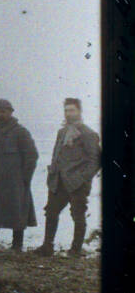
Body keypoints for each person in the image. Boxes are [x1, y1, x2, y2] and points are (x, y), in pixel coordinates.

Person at [34, 98, 101, 257]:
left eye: (72, 110)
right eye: (66, 110)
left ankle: (75, 250)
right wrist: (53, 172)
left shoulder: (88, 134)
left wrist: (82, 178)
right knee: (51, 212)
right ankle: (47, 246)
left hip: (77, 183)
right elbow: (57, 154)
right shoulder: (62, 132)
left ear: (79, 111)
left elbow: (96, 160)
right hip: (58, 181)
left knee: (77, 215)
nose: (68, 113)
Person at [0, 99, 39, 252]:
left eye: (4, 111)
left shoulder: (20, 132)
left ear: (11, 112)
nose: (1, 114)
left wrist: (25, 178)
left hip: (14, 183)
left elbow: (32, 156)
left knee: (17, 211)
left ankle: (17, 245)